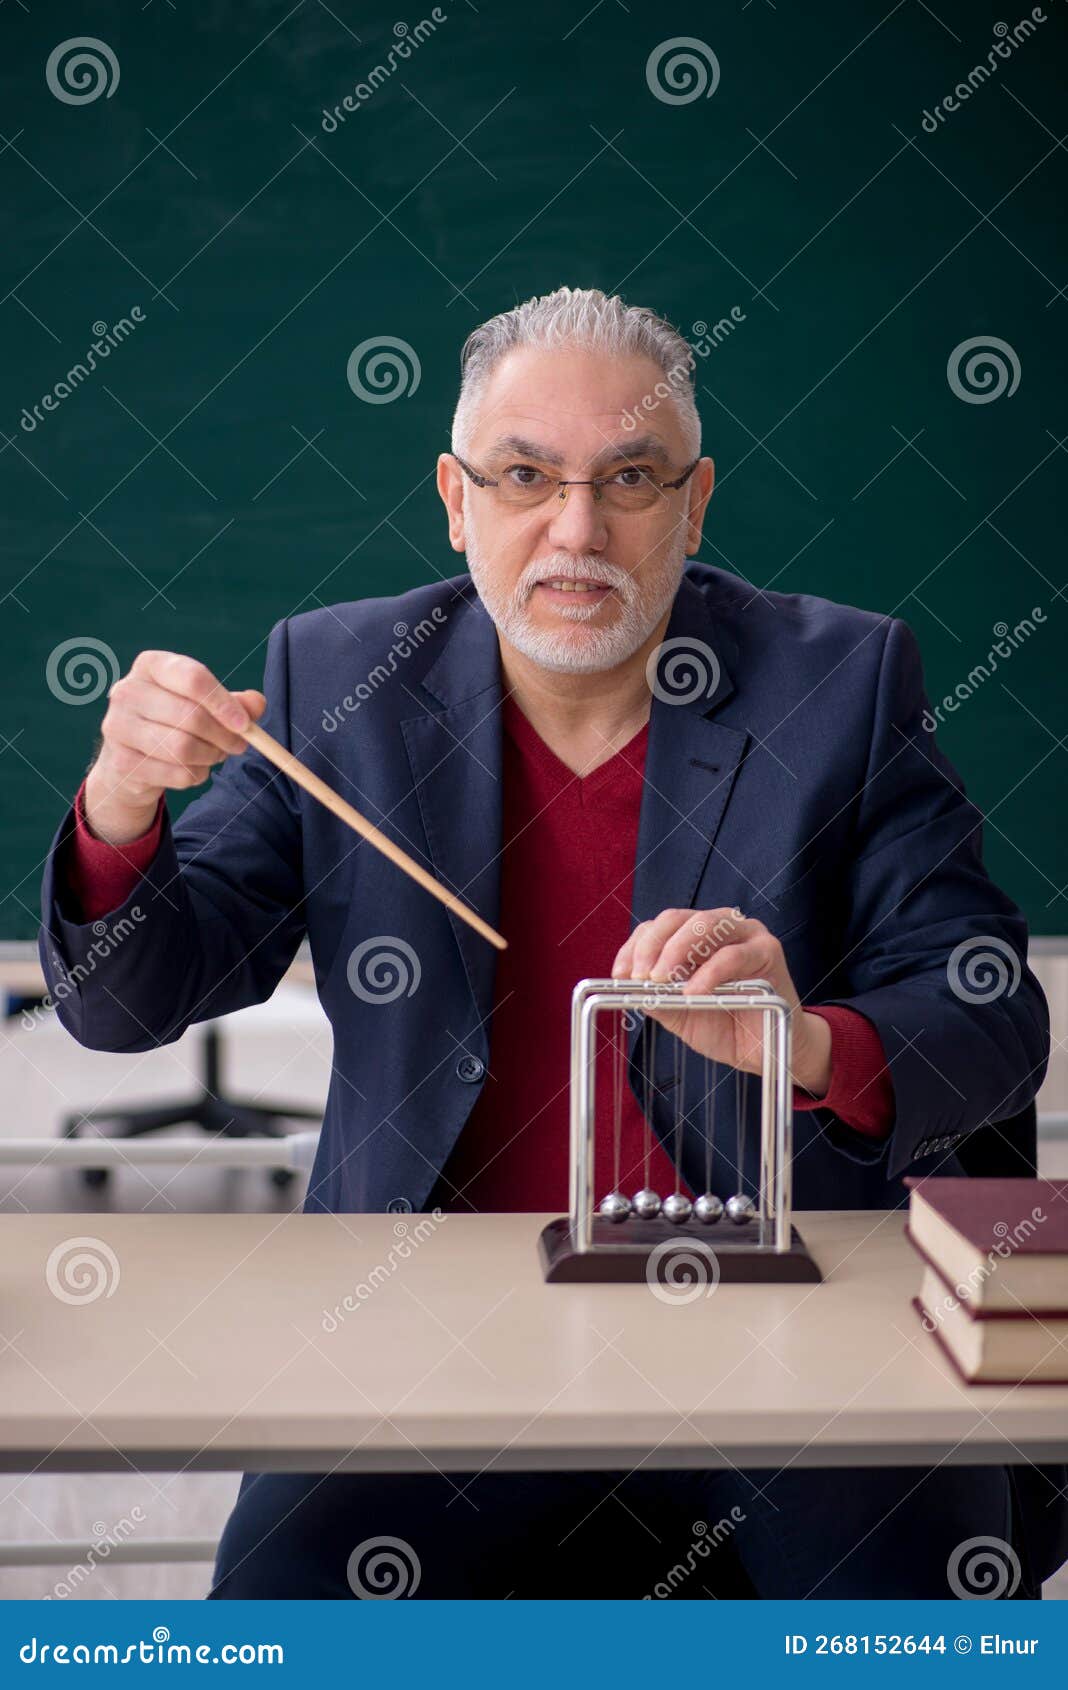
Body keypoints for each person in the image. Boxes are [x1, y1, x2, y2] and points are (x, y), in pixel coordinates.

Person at [39, 286, 1063, 1598]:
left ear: (693, 505)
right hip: (422, 1329)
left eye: (628, 478)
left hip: (790, 1327)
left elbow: (989, 1015)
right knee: (276, 1628)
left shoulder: (843, 685)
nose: (576, 529)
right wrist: (123, 803)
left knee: (912, 1627)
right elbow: (128, 1004)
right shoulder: (340, 685)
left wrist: (804, 1040)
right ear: (458, 499)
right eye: (525, 476)